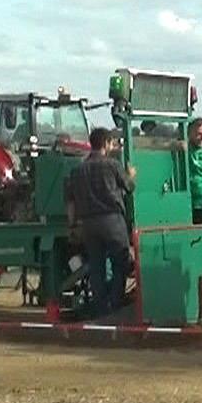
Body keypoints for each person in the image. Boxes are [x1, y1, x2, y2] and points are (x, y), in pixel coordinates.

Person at [65, 127, 134, 315]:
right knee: (121, 262)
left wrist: (72, 225)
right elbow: (129, 187)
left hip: (88, 224)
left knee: (97, 266)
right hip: (112, 220)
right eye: (111, 143)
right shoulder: (112, 165)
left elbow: (70, 202)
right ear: (106, 143)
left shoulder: (77, 170)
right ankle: (116, 303)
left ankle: (100, 307)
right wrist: (131, 174)